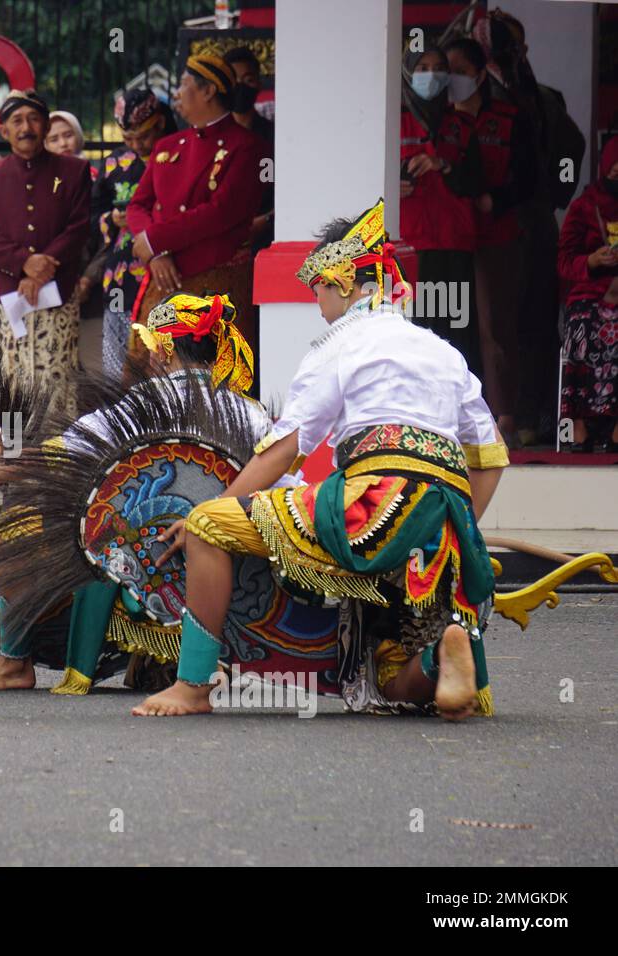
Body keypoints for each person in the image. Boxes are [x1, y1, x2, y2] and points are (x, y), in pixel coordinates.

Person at [134, 201, 509, 722]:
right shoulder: (443, 351)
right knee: (388, 679)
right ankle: (441, 655)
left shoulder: (341, 343)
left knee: (206, 527)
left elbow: (285, 449)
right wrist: (460, 527)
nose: (318, 305)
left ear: (344, 283)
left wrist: (213, 507)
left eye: (318, 290)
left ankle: (192, 686)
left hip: (371, 509)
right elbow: (490, 458)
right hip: (445, 530)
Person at [0, 291, 277, 695]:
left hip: (140, 561)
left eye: (149, 346)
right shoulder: (251, 412)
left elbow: (48, 458)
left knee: (22, 515)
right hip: (228, 567)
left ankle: (13, 662)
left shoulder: (141, 405)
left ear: (164, 351)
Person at [479, 11, 586, 444]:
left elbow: (572, 148)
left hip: (531, 223)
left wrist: (556, 194)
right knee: (499, 325)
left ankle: (529, 417)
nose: (512, 52)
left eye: (515, 44)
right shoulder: (478, 93)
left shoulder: (542, 97)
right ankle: (500, 416)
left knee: (534, 323)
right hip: (491, 227)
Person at [126, 54, 266, 344]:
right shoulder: (167, 146)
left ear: (208, 90)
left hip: (216, 285)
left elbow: (220, 213)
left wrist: (155, 240)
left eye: (184, 83)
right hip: (164, 281)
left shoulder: (246, 147)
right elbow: (138, 205)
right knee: (152, 369)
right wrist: (156, 254)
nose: (177, 92)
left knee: (214, 369)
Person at [0, 89, 92, 417]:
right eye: (17, 121)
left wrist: (42, 269)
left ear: (46, 125)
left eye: (34, 119)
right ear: (4, 130)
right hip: (8, 293)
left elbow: (79, 227)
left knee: (57, 378)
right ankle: (13, 447)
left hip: (58, 289)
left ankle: (58, 445)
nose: (26, 127)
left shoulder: (74, 171)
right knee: (10, 379)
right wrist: (24, 263)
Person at [444, 37, 535, 441]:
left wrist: (496, 200)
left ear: (481, 75)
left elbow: (530, 178)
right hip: (445, 238)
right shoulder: (437, 121)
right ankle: (451, 416)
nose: (452, 79)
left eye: (461, 71)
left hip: (494, 236)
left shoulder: (509, 118)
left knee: (494, 328)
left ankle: (505, 416)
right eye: (447, 71)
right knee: (447, 324)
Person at [400, 45, 482, 368]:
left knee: (455, 340)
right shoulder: (393, 123)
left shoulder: (462, 125)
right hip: (412, 246)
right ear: (408, 72)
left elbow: (478, 181)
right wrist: (392, 185)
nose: (431, 75)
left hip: (455, 244)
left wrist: (444, 165)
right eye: (422, 68)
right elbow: (368, 176)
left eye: (438, 67)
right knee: (415, 336)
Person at [92, 87, 176, 380]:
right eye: (128, 138)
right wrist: (111, 219)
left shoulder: (177, 156)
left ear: (160, 122)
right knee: (117, 371)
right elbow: (93, 212)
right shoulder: (115, 163)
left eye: (143, 136)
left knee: (162, 364)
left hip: (166, 276)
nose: (136, 145)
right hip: (120, 278)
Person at [557, 136, 618, 452]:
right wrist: (592, 261)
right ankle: (578, 427)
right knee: (583, 326)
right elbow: (564, 262)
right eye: (614, 169)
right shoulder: (584, 206)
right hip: (589, 294)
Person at [223, 46, 274, 254]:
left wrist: (267, 219)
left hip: (265, 238)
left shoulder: (272, 136)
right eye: (234, 81)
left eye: (248, 80)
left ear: (259, 83)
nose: (241, 88)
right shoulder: (214, 137)